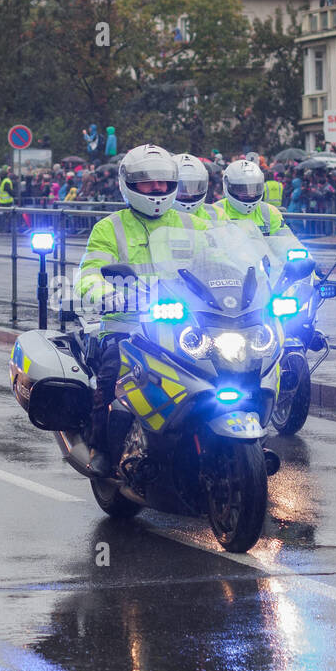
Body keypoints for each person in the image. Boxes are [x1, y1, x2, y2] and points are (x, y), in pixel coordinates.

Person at [75, 145, 197, 477]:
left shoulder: (191, 224)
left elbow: (223, 263)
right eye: (146, 183)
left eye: (163, 182)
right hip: (127, 325)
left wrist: (259, 281)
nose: (156, 189)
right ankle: (101, 449)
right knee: (113, 373)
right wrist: (107, 294)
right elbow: (89, 274)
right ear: (128, 184)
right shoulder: (109, 228)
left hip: (185, 325)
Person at [210, 159, 290, 237]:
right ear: (228, 185)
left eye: (254, 189)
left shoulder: (269, 212)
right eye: (242, 190)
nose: (250, 195)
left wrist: (292, 247)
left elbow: (285, 238)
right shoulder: (215, 211)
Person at [172, 153, 219, 222]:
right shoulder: (160, 215)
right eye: (182, 188)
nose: (189, 194)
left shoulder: (215, 213)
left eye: (193, 187)